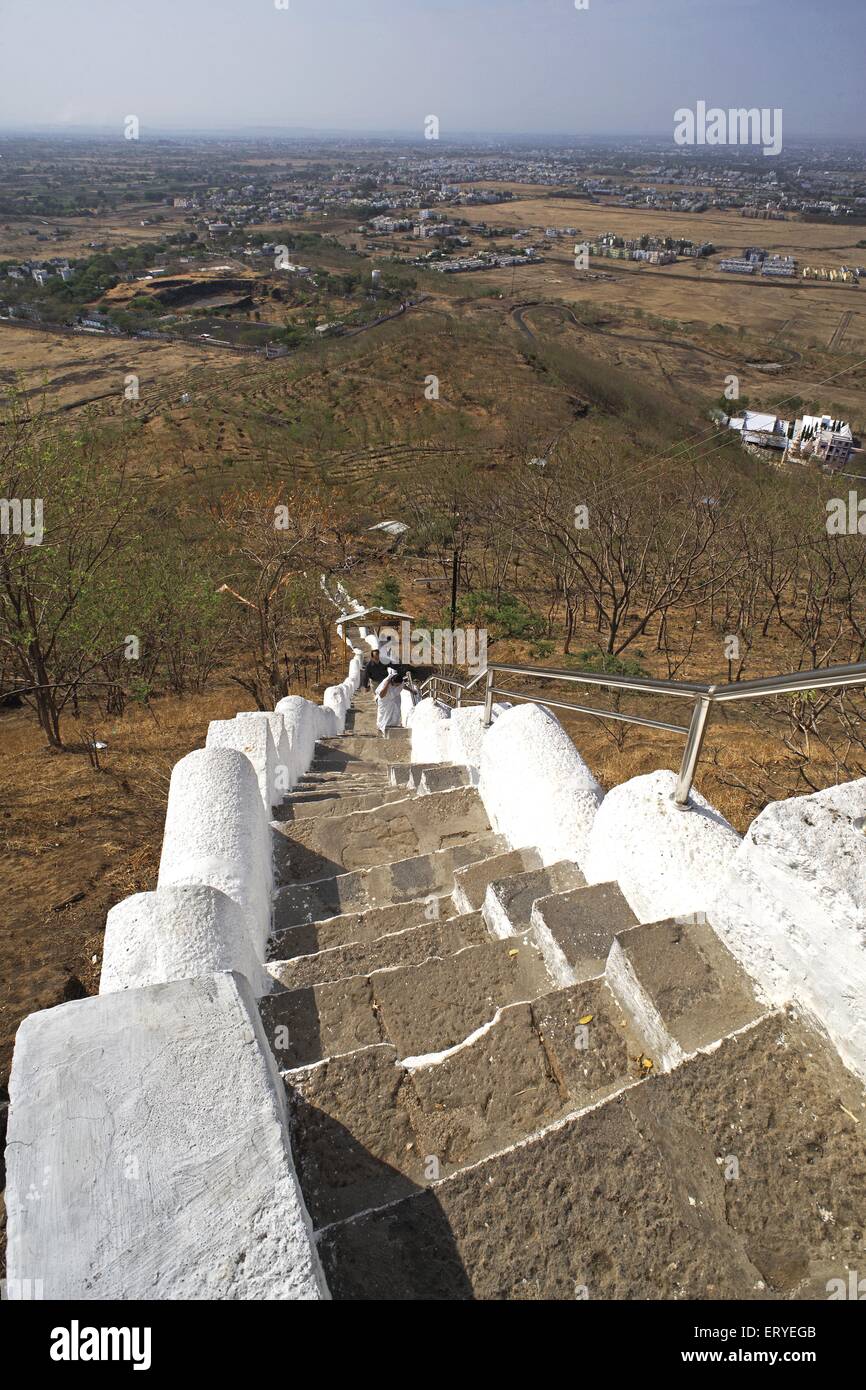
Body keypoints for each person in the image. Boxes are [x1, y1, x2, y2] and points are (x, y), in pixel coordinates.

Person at [374, 667, 403, 734]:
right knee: (384, 715)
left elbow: (403, 686)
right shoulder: (386, 682)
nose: (397, 686)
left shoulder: (400, 681)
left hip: (394, 700)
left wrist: (411, 690)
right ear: (392, 681)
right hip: (385, 701)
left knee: (395, 712)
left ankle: (394, 725)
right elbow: (381, 695)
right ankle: (381, 727)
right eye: (396, 685)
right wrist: (387, 684)